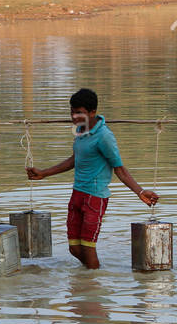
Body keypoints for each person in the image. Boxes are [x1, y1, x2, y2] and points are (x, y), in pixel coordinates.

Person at [26, 88, 160, 269]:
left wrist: (140, 191)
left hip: (95, 197)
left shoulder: (104, 136)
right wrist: (44, 173)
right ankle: (92, 274)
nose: (74, 117)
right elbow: (75, 159)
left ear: (92, 112)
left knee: (88, 249)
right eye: (72, 112)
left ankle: (93, 287)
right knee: (74, 248)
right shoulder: (81, 131)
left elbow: (119, 169)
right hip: (77, 194)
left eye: (79, 113)